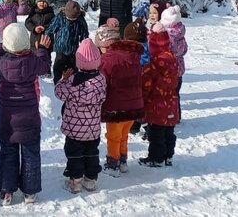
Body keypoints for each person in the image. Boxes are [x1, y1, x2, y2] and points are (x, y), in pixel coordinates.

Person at [0, 23, 51, 206]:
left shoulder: (1, 62)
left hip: (8, 119)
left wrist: (1, 45)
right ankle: (30, 193)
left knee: (7, 154)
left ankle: (6, 192)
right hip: (30, 119)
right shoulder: (33, 62)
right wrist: (42, 49)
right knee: (31, 154)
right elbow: (44, 67)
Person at [55, 38, 107, 194]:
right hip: (92, 129)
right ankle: (90, 180)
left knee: (74, 155)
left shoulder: (73, 80)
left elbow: (59, 93)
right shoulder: (101, 80)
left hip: (74, 129)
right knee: (92, 153)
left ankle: (75, 181)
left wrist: (63, 80)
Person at [95, 18, 144, 176]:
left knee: (113, 136)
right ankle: (123, 161)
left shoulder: (107, 60)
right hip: (133, 105)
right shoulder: (132, 56)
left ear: (105, 45)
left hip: (116, 106)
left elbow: (102, 83)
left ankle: (113, 163)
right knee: (123, 135)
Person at [140, 23, 180, 167]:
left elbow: (146, 84)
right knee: (169, 132)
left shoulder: (153, 63)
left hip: (157, 105)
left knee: (156, 134)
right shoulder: (173, 60)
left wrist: (142, 100)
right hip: (171, 103)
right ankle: (168, 156)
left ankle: (156, 158)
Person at [44, 1, 90, 84]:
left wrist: (84, 44)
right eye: (69, 18)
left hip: (73, 48)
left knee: (73, 67)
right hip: (60, 48)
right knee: (58, 66)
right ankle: (57, 83)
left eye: (73, 18)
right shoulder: (60, 17)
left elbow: (84, 33)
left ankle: (73, 83)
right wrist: (47, 36)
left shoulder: (80, 20)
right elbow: (51, 28)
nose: (71, 20)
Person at [160, 5, 188, 123]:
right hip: (179, 71)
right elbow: (185, 49)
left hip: (168, 71)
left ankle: (169, 115)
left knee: (168, 95)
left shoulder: (168, 36)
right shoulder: (180, 34)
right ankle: (177, 116)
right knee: (176, 95)